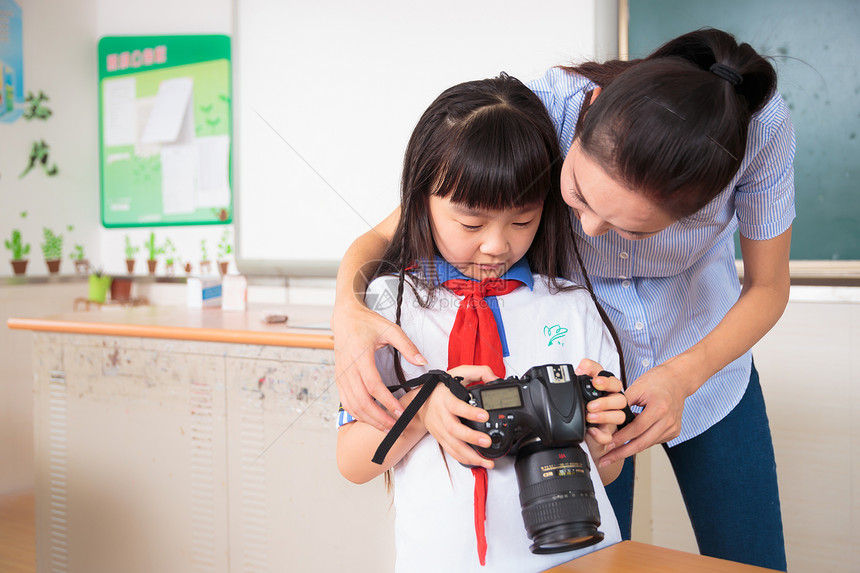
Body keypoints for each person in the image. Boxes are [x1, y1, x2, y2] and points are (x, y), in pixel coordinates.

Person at [331, 29, 793, 571]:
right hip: (578, 370)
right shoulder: (532, 117)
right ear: (585, 118)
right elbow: (399, 226)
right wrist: (347, 310)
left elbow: (768, 285)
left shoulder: (751, 130)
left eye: (634, 229)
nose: (591, 231)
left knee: (750, 555)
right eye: (575, 196)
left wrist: (682, 376)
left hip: (702, 357)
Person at [335, 74, 630, 572]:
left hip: (580, 553)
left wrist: (604, 432)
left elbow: (612, 470)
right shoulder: (388, 309)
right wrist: (423, 412)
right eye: (471, 224)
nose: (496, 245)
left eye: (522, 220)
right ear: (419, 201)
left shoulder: (571, 306)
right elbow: (352, 463)